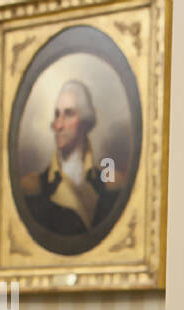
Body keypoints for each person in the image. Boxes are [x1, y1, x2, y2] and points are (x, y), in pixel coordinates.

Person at [20, 80, 122, 236]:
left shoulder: (110, 183)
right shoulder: (33, 188)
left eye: (68, 114)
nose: (58, 125)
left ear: (85, 122)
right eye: (57, 115)